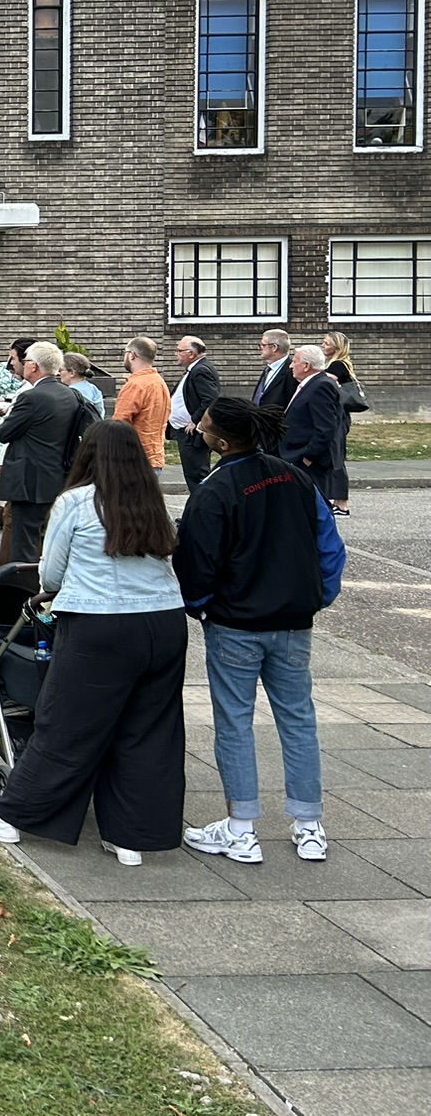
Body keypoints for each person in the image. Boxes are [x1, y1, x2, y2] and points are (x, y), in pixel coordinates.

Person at [0, 421, 189, 866]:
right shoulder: (151, 500)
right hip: (163, 622)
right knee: (147, 729)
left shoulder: (77, 502)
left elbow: (52, 574)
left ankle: (12, 816)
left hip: (99, 625)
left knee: (66, 726)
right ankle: (130, 836)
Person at [175, 398, 345, 865]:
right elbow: (330, 545)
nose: (199, 431)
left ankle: (241, 829)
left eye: (204, 427)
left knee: (233, 722)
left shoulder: (214, 490)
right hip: (293, 621)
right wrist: (317, 596)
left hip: (235, 624)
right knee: (298, 719)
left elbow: (196, 562)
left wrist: (200, 608)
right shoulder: (294, 476)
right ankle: (310, 826)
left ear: (222, 442)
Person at [0, 342, 94, 564]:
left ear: (34, 366)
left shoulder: (31, 397)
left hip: (28, 483)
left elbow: (4, 432)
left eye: (25, 361)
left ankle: (25, 595)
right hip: (58, 477)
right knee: (49, 544)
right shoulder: (71, 395)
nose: (18, 364)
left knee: (23, 547)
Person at [281, 345, 344, 503]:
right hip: (296, 457)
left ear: (306, 366)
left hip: (309, 463)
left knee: (312, 507)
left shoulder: (321, 386)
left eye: (295, 361)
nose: (291, 365)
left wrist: (308, 456)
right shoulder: (308, 384)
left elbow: (326, 428)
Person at [166, 335, 221, 492]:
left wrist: (195, 421)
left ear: (191, 353)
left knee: (196, 476)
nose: (176, 354)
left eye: (179, 350)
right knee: (192, 475)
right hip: (184, 432)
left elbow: (210, 399)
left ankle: (203, 512)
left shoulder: (201, 371)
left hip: (193, 434)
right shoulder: (193, 370)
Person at [112, 337, 172, 469]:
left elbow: (119, 425)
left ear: (132, 355)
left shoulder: (135, 385)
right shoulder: (160, 382)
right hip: (155, 457)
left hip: (133, 461)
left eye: (125, 353)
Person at [321, 331, 360, 515]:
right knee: (334, 457)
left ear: (336, 347)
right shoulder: (338, 364)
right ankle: (337, 500)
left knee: (336, 458)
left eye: (326, 343)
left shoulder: (337, 366)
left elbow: (325, 384)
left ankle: (342, 503)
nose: (323, 346)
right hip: (339, 416)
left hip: (338, 416)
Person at [252, 328, 294, 418]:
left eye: (263, 345)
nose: (260, 348)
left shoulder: (291, 370)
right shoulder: (268, 368)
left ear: (274, 347)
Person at [60, 353, 106, 419]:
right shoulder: (93, 388)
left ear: (72, 373)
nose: (59, 373)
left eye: (60, 370)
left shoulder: (70, 393)